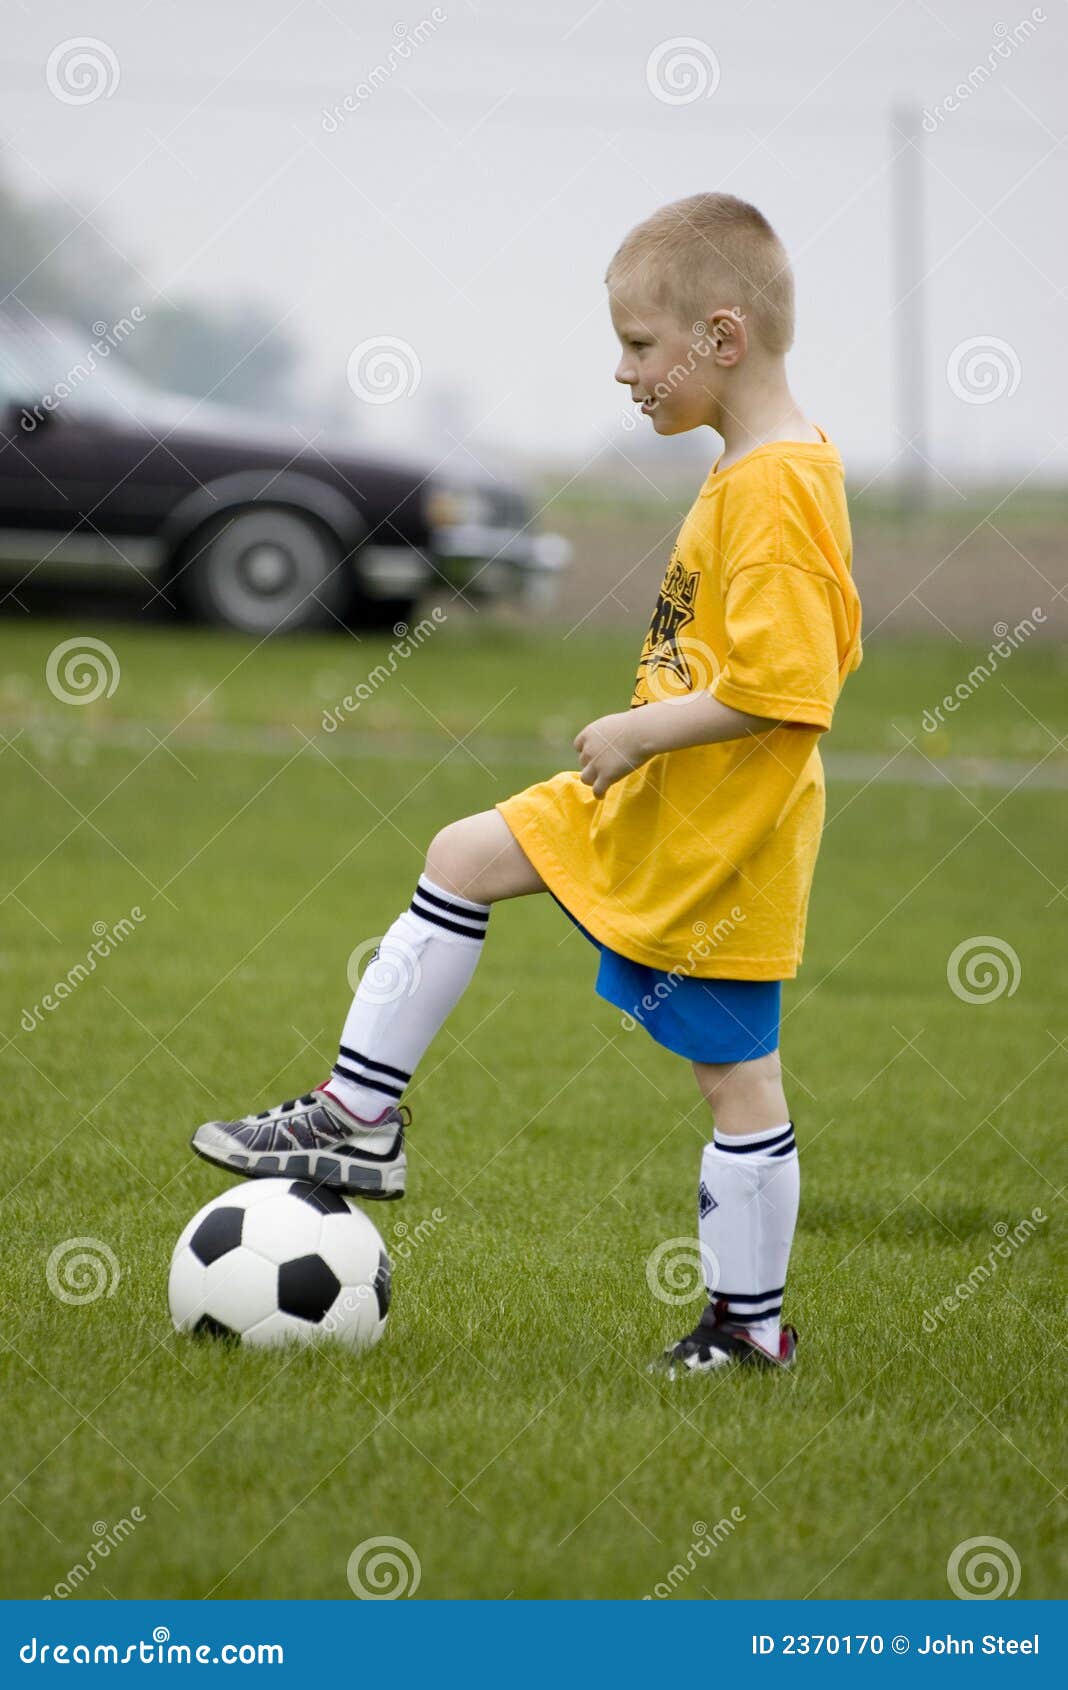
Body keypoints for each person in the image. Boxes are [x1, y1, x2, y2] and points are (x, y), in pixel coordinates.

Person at [191, 191, 863, 1374]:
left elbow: (790, 687)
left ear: (723, 337)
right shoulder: (754, 465)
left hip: (718, 834)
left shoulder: (778, 487)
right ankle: (358, 1117)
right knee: (463, 854)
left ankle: (749, 1331)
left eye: (640, 347)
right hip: (654, 801)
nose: (623, 372)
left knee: (738, 1079)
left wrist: (644, 733)